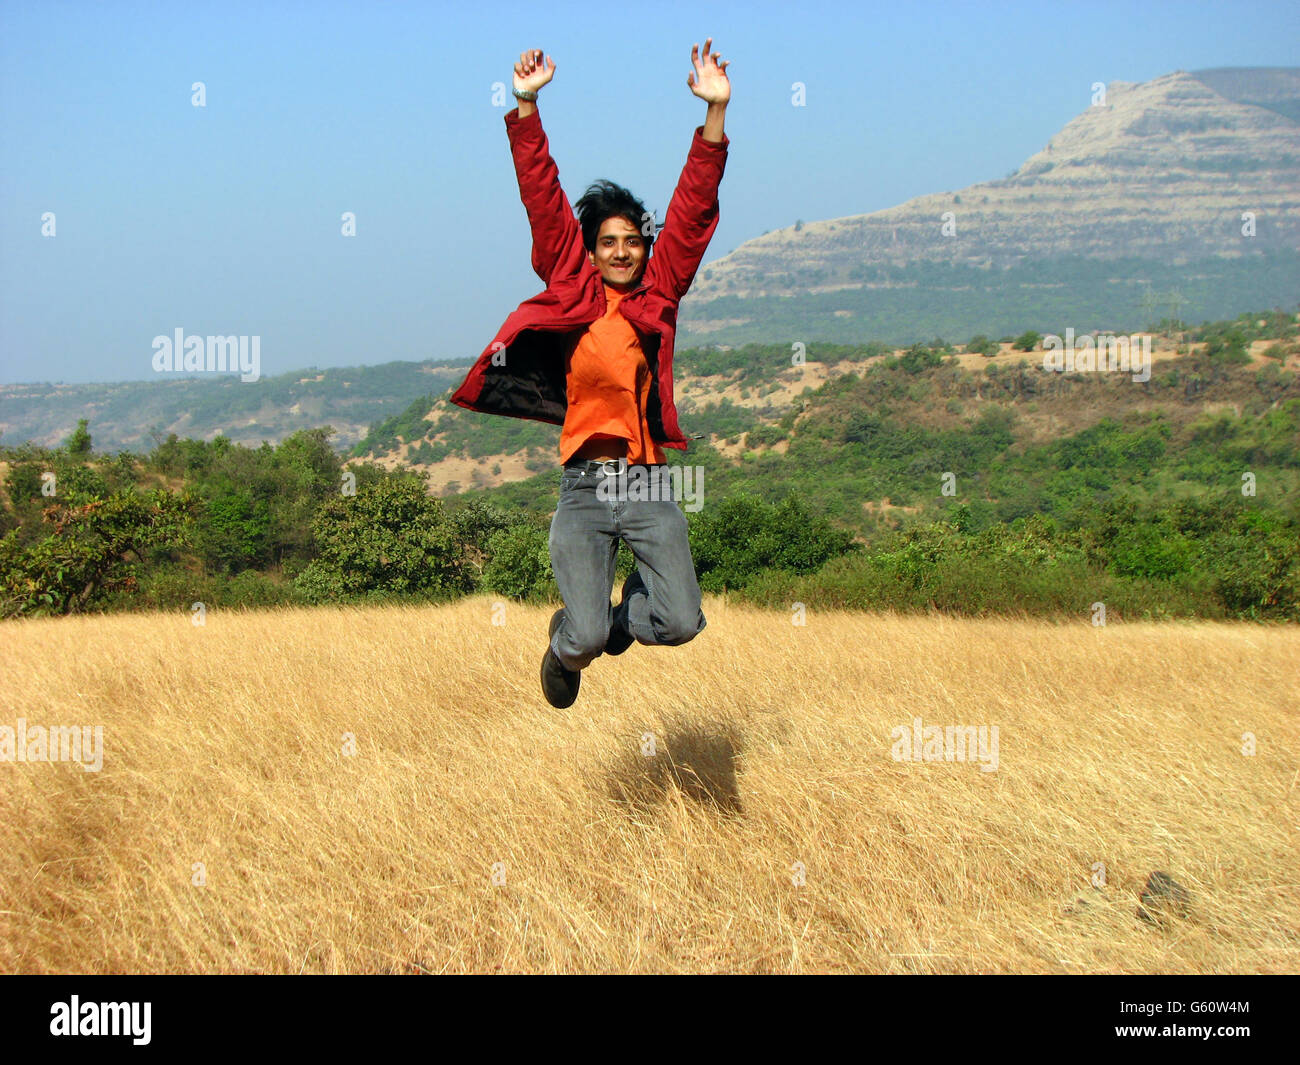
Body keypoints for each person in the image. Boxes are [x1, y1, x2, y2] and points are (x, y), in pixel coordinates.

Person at [450, 41, 732, 708]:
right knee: (582, 635)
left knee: (681, 619)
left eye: (633, 240)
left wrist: (715, 114)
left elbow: (691, 215)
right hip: (583, 488)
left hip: (645, 481)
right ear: (590, 249)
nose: (623, 251)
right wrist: (526, 104)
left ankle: (627, 606)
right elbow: (543, 197)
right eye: (609, 241)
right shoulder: (572, 289)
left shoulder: (657, 296)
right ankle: (565, 646)